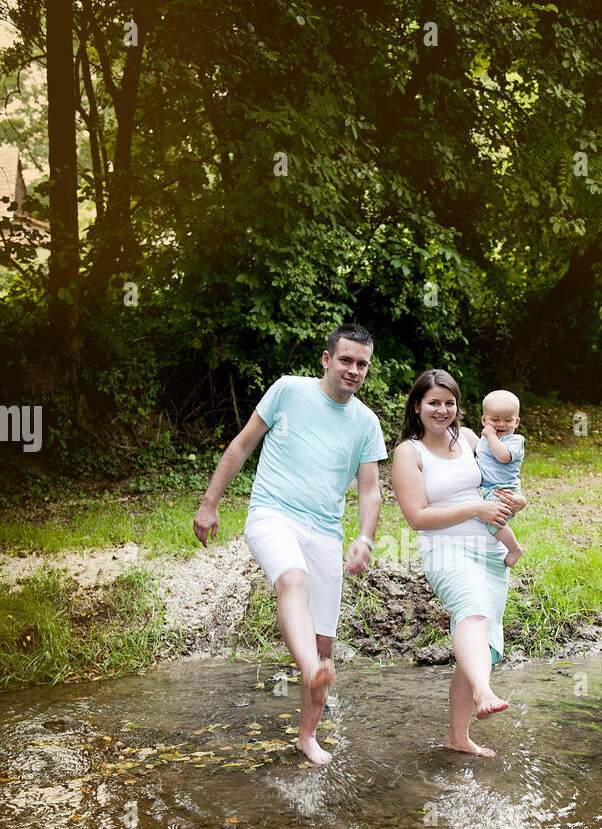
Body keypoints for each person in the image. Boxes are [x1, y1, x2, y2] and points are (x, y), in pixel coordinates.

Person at [193, 324, 387, 765]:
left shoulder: (367, 423)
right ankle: (312, 671)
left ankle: (307, 736)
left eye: (362, 364)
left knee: (325, 643)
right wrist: (210, 505)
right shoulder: (288, 391)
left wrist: (364, 537)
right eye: (346, 360)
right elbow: (242, 445)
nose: (353, 370)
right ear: (326, 359)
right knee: (293, 581)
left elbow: (371, 491)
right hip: (272, 515)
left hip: (325, 532)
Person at [391, 369, 526, 759]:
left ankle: (458, 736)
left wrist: (517, 500)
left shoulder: (468, 438)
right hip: (445, 550)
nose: (442, 410)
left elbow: (501, 478)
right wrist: (474, 508)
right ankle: (484, 692)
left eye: (449, 403)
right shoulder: (408, 452)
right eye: (434, 402)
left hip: (489, 550)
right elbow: (417, 516)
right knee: (474, 613)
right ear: (417, 406)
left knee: (484, 638)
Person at [475, 389, 525, 567]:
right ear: (484, 420)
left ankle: (514, 548)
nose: (501, 424)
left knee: (493, 523)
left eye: (508, 420)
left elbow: (502, 456)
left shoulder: (515, 441)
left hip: (505, 490)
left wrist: (490, 435)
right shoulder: (483, 441)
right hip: (489, 489)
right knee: (487, 521)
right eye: (495, 420)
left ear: (516, 422)